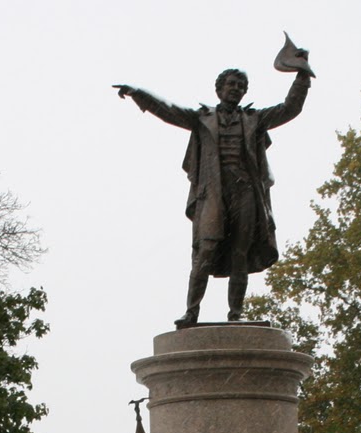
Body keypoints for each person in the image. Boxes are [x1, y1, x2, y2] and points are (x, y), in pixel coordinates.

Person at [115, 62, 311, 328]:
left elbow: (290, 109)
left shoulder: (254, 119)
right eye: (231, 84)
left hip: (245, 191)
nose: (236, 89)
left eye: (241, 86)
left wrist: (302, 76)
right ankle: (191, 312)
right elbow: (169, 111)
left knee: (240, 252)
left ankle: (236, 314)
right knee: (205, 252)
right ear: (219, 89)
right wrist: (139, 94)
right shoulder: (201, 118)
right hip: (213, 193)